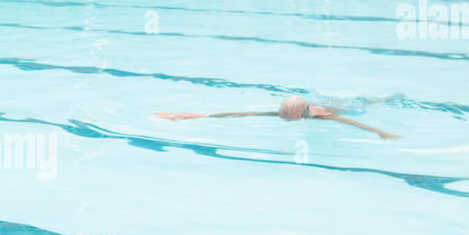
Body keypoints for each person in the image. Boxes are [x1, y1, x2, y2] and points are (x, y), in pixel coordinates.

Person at [156, 94, 400, 139]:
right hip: (317, 103)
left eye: (290, 118)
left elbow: (351, 122)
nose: (286, 121)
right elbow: (232, 115)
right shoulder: (281, 113)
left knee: (363, 103)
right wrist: (183, 116)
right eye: (284, 117)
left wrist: (381, 133)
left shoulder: (322, 117)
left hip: (348, 107)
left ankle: (385, 98)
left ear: (301, 115)